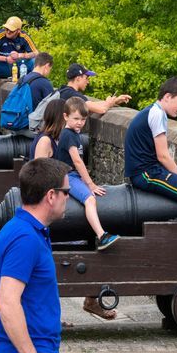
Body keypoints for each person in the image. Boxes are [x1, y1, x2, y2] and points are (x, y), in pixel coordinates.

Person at [0, 158, 72, 353]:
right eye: (66, 192)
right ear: (51, 195)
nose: (68, 198)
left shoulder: (27, 231)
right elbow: (7, 302)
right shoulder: (25, 238)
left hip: (31, 352)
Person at [123, 76, 177, 277]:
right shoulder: (156, 114)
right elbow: (163, 155)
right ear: (167, 96)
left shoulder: (153, 112)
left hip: (147, 171)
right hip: (147, 174)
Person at [56, 97, 118, 252]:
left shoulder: (73, 133)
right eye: (76, 119)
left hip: (73, 176)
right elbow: (77, 161)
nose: (80, 123)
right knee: (90, 199)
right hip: (68, 176)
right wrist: (90, 184)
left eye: (83, 119)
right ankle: (101, 235)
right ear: (65, 116)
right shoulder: (68, 135)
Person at [0, 16, 36, 94]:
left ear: (18, 31)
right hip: (3, 67)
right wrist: (6, 59)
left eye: (11, 30)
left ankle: (35, 87)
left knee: (34, 61)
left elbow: (36, 53)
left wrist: (20, 55)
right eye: (6, 29)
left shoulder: (24, 36)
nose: (8, 32)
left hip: (19, 67)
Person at [54, 63, 131, 115]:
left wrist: (115, 100)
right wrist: (109, 103)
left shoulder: (63, 90)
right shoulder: (73, 95)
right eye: (86, 78)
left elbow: (92, 104)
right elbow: (101, 110)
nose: (88, 82)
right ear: (78, 78)